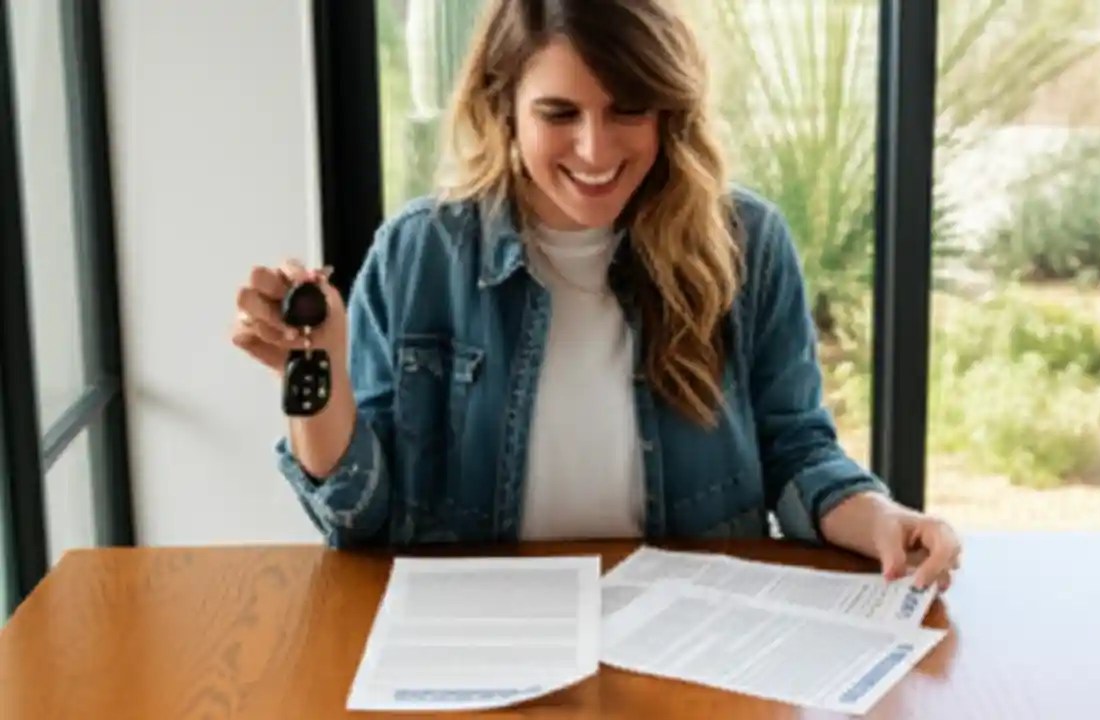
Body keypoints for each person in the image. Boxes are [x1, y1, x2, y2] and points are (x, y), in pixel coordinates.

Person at [231, 0, 961, 592]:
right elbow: (361, 519)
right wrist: (316, 374)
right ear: (503, 105)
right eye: (559, 114)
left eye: (628, 110)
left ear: (668, 110)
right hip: (482, 637)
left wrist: (882, 517)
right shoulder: (419, 253)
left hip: (695, 631)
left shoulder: (747, 242)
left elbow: (798, 450)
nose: (595, 149)